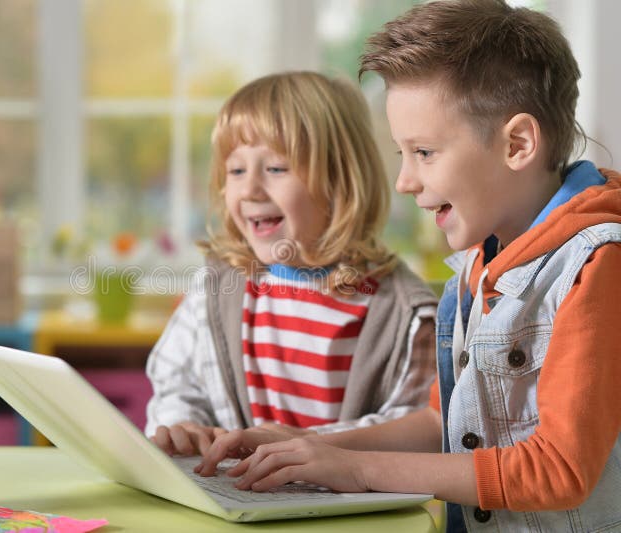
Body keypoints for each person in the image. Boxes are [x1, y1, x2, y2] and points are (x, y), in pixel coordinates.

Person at [196, 1, 621, 531]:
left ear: (517, 144)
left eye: (423, 152)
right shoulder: (479, 260)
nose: (405, 181)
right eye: (403, 154)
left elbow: (558, 471)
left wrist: (357, 468)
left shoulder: (597, 265)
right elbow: (438, 421)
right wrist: (312, 445)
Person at [145, 71, 438, 457]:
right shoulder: (217, 288)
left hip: (345, 512)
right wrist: (183, 425)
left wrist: (308, 447)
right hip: (234, 500)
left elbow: (414, 429)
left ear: (341, 181)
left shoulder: (404, 314)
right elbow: (176, 385)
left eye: (276, 169)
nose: (250, 189)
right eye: (236, 171)